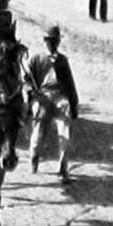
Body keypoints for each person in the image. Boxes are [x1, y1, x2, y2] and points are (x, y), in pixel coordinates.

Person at [26, 25, 79, 183]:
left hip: (60, 97)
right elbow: (27, 80)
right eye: (49, 41)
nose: (52, 44)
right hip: (42, 96)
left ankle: (63, 167)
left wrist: (73, 104)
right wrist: (31, 93)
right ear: (45, 42)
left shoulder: (62, 61)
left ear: (58, 42)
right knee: (38, 132)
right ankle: (34, 157)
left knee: (65, 132)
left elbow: (70, 84)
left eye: (55, 41)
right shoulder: (37, 59)